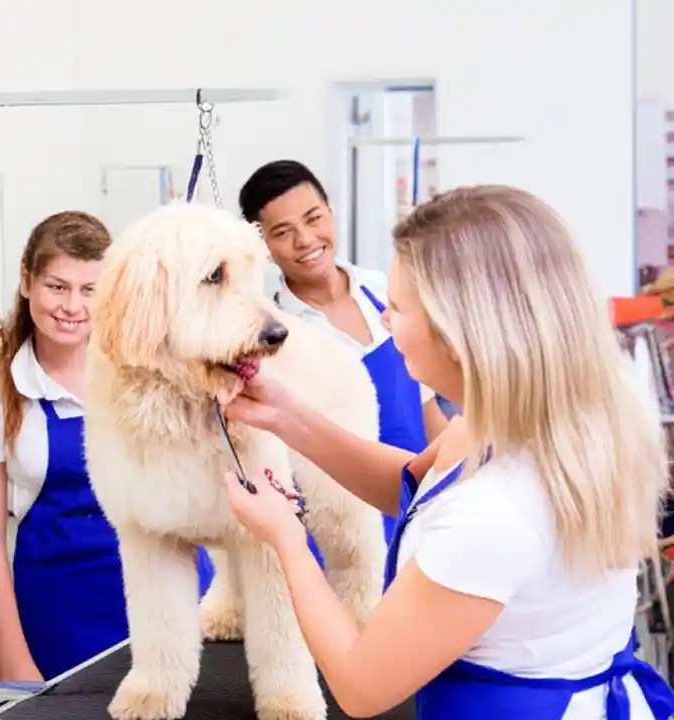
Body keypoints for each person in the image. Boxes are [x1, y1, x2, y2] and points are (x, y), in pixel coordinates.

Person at [220, 185, 674, 719]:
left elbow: (360, 686)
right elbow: (413, 484)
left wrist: (286, 538)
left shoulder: (496, 516)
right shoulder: (558, 415)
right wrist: (285, 416)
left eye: (398, 307)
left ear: (461, 330)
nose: (385, 321)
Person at [0, 211, 215, 683]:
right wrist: (14, 658)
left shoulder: (146, 366)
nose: (72, 306)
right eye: (57, 286)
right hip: (59, 610)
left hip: (168, 596)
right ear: (26, 282)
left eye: (90, 290)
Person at [239, 160, 449, 547]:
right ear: (262, 247)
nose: (305, 240)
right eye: (283, 232)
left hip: (422, 502)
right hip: (338, 526)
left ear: (331, 212)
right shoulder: (274, 334)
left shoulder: (385, 290)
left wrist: (459, 481)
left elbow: (428, 408)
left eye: (313, 218)